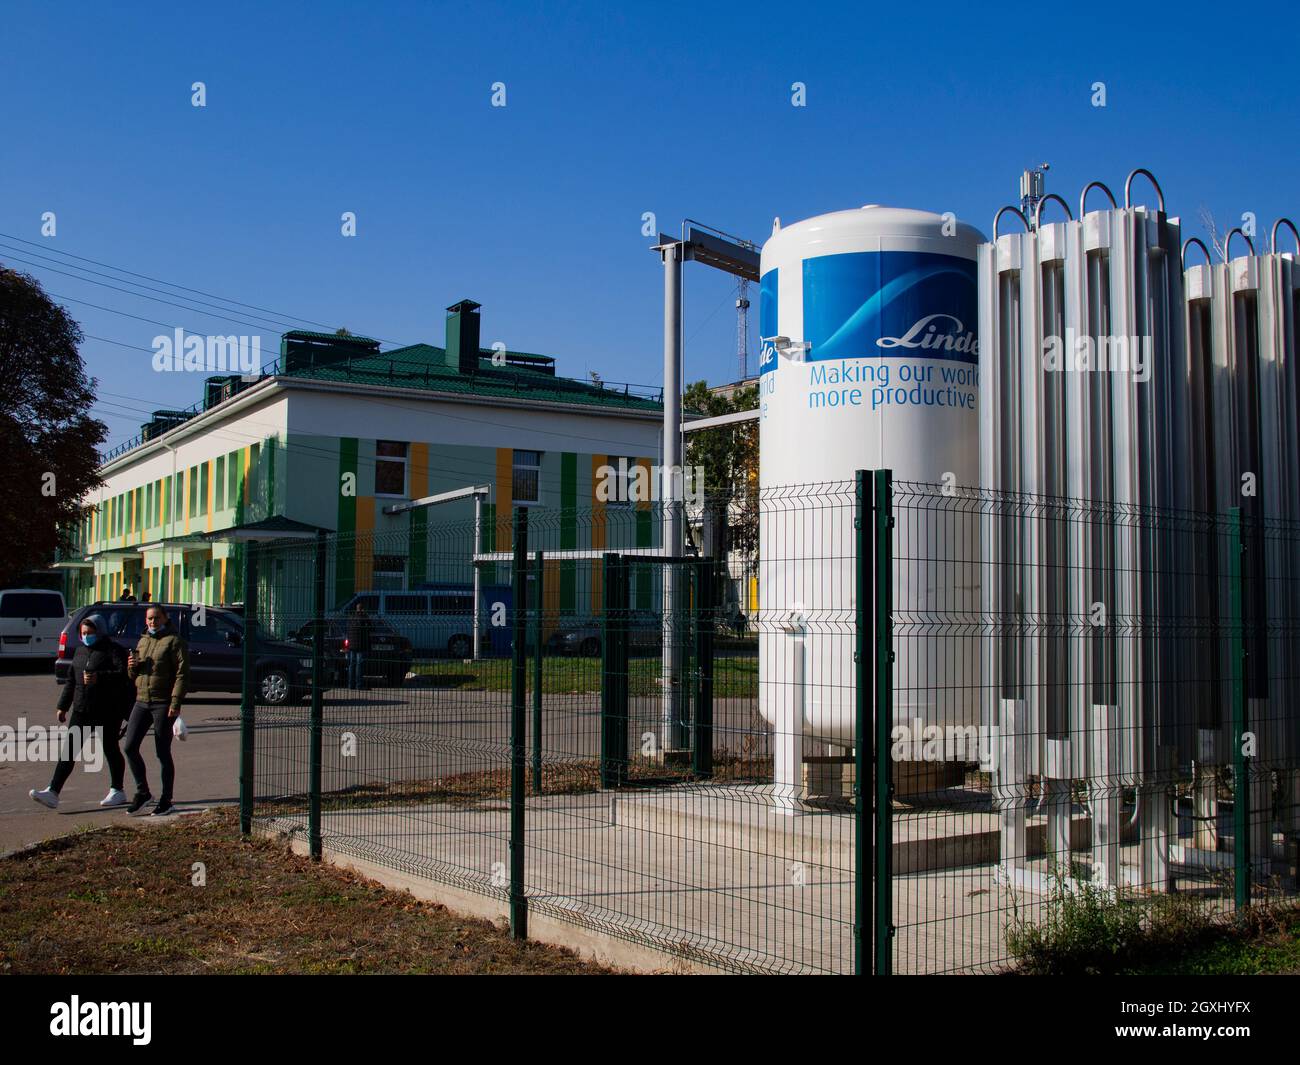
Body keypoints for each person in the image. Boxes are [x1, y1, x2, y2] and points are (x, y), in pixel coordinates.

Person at [29, 614, 131, 810]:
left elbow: (123, 676)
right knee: (69, 752)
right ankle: (53, 792)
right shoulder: (80, 651)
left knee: (110, 749)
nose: (86, 636)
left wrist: (99, 678)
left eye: (90, 633)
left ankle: (117, 790)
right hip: (82, 710)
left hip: (107, 710)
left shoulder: (113, 650)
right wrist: (62, 706)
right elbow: (71, 681)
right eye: (83, 633)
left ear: (100, 631)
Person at [123, 604, 190, 816]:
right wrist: (131, 665)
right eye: (150, 619)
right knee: (129, 746)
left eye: (157, 618)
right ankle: (143, 792)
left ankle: (166, 799)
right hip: (141, 700)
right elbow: (133, 675)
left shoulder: (174, 641)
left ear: (165, 618)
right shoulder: (143, 640)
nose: (153, 622)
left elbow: (182, 675)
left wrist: (175, 703)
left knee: (162, 752)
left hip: (162, 703)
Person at [346, 602, 372, 690]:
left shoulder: (351, 617)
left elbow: (348, 630)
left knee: (351, 664)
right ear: (363, 609)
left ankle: (350, 685)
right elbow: (372, 628)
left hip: (351, 644)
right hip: (361, 644)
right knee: (359, 664)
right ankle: (359, 685)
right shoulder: (364, 617)